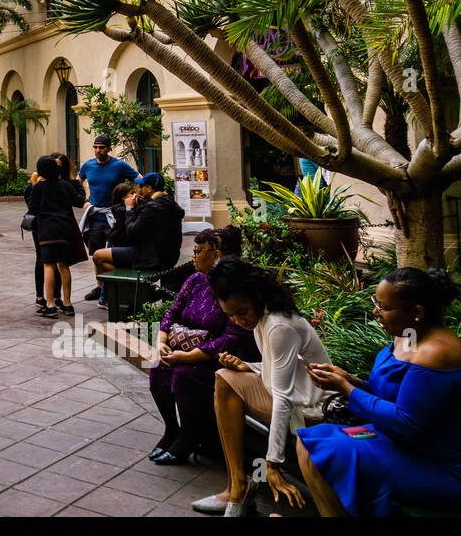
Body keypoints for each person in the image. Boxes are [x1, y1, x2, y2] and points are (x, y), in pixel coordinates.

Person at [296, 268, 461, 516]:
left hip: (436, 462)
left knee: (325, 452)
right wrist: (348, 379)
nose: (376, 312)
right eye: (376, 303)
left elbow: (408, 421)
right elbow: (394, 395)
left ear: (416, 312)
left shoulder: (436, 352)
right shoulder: (408, 335)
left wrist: (346, 389)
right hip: (397, 439)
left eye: (383, 307)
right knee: (309, 442)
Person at [191, 258, 332, 516]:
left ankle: (240, 489)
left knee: (225, 382)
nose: (237, 320)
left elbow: (284, 397)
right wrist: (249, 367)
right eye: (230, 315)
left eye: (241, 312)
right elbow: (283, 371)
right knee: (225, 376)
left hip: (312, 412)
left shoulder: (278, 325)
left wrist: (272, 462)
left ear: (255, 293)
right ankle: (238, 486)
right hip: (298, 400)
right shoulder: (264, 316)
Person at [148, 226, 259, 464]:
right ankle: (171, 430)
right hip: (185, 351)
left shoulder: (234, 290)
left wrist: (186, 357)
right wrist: (161, 341)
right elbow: (172, 312)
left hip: (223, 361)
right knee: (159, 367)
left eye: (198, 251)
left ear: (216, 255)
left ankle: (189, 436)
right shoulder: (195, 280)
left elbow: (232, 338)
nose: (194, 256)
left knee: (184, 375)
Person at [79, 135, 140, 302]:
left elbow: (139, 179)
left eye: (102, 147)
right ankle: (100, 288)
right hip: (96, 215)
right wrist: (84, 200)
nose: (98, 150)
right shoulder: (88, 165)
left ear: (109, 148)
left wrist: (135, 198)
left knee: (114, 251)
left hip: (115, 215)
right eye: (96, 147)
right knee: (96, 254)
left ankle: (113, 287)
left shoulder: (119, 165)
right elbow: (78, 183)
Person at [92, 171, 184, 278]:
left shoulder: (152, 208)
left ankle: (124, 281)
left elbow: (132, 232)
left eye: (141, 186)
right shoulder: (169, 203)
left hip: (151, 258)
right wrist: (150, 200)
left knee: (98, 256)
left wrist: (129, 209)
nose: (138, 189)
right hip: (169, 256)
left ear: (149, 189)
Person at [27, 154, 84, 317]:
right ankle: (67, 303)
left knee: (49, 265)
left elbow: (33, 209)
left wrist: (33, 185)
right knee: (64, 266)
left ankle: (50, 304)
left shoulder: (39, 187)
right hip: (65, 229)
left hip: (47, 231)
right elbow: (79, 201)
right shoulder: (65, 186)